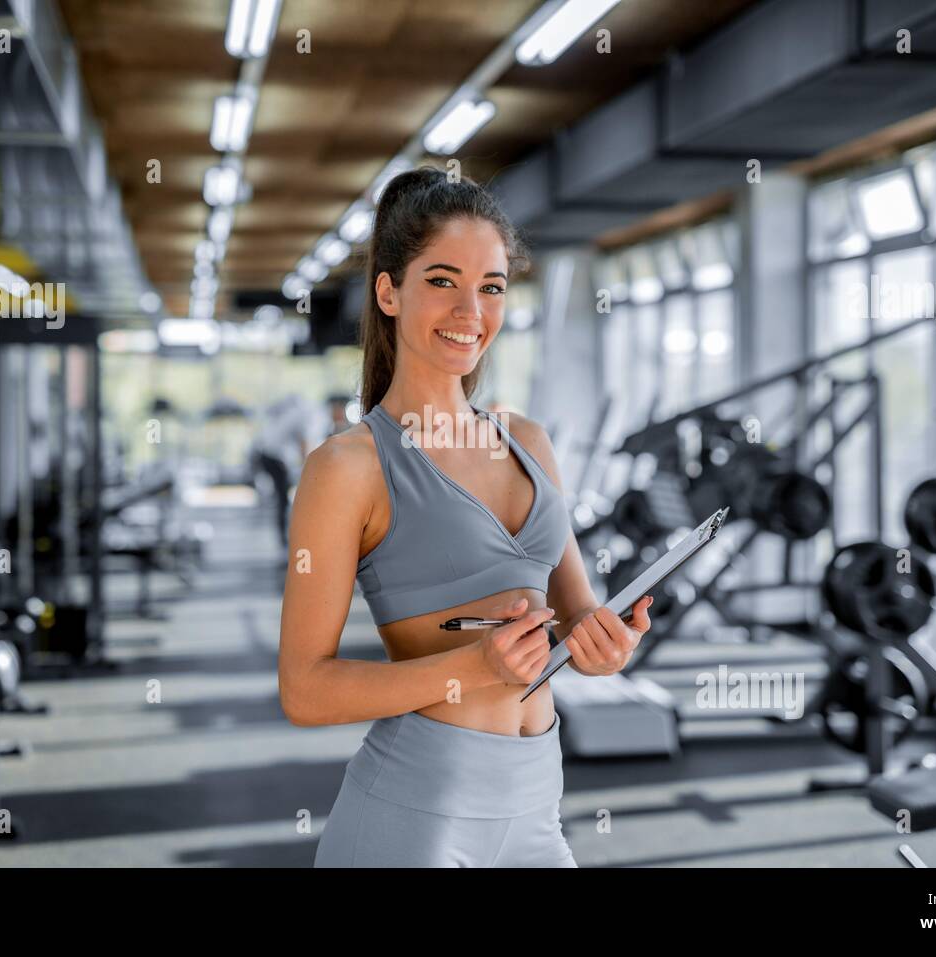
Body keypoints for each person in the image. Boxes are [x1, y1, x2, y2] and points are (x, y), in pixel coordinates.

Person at [278, 167, 654, 868]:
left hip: (538, 799)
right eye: (443, 280)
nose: (470, 311)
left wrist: (602, 645)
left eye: (492, 286)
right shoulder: (349, 467)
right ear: (389, 291)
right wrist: (470, 666)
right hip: (414, 814)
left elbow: (573, 616)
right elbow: (304, 689)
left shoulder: (529, 441)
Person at [249, 392, 330, 546]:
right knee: (283, 497)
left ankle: (286, 535)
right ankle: (288, 537)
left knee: (283, 497)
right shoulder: (312, 416)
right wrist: (308, 470)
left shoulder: (305, 411)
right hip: (272, 455)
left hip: (268, 453)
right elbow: (303, 444)